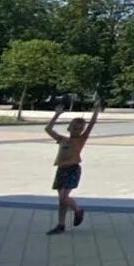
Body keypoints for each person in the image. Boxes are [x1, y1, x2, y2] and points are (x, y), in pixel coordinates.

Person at [43, 98, 101, 235]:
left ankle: (78, 211)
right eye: (75, 128)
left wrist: (95, 111)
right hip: (61, 169)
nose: (77, 130)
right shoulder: (62, 139)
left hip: (73, 169)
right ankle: (61, 224)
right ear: (69, 128)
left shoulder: (81, 139)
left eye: (80, 129)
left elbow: (91, 124)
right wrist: (57, 114)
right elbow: (48, 129)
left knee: (64, 197)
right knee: (61, 200)